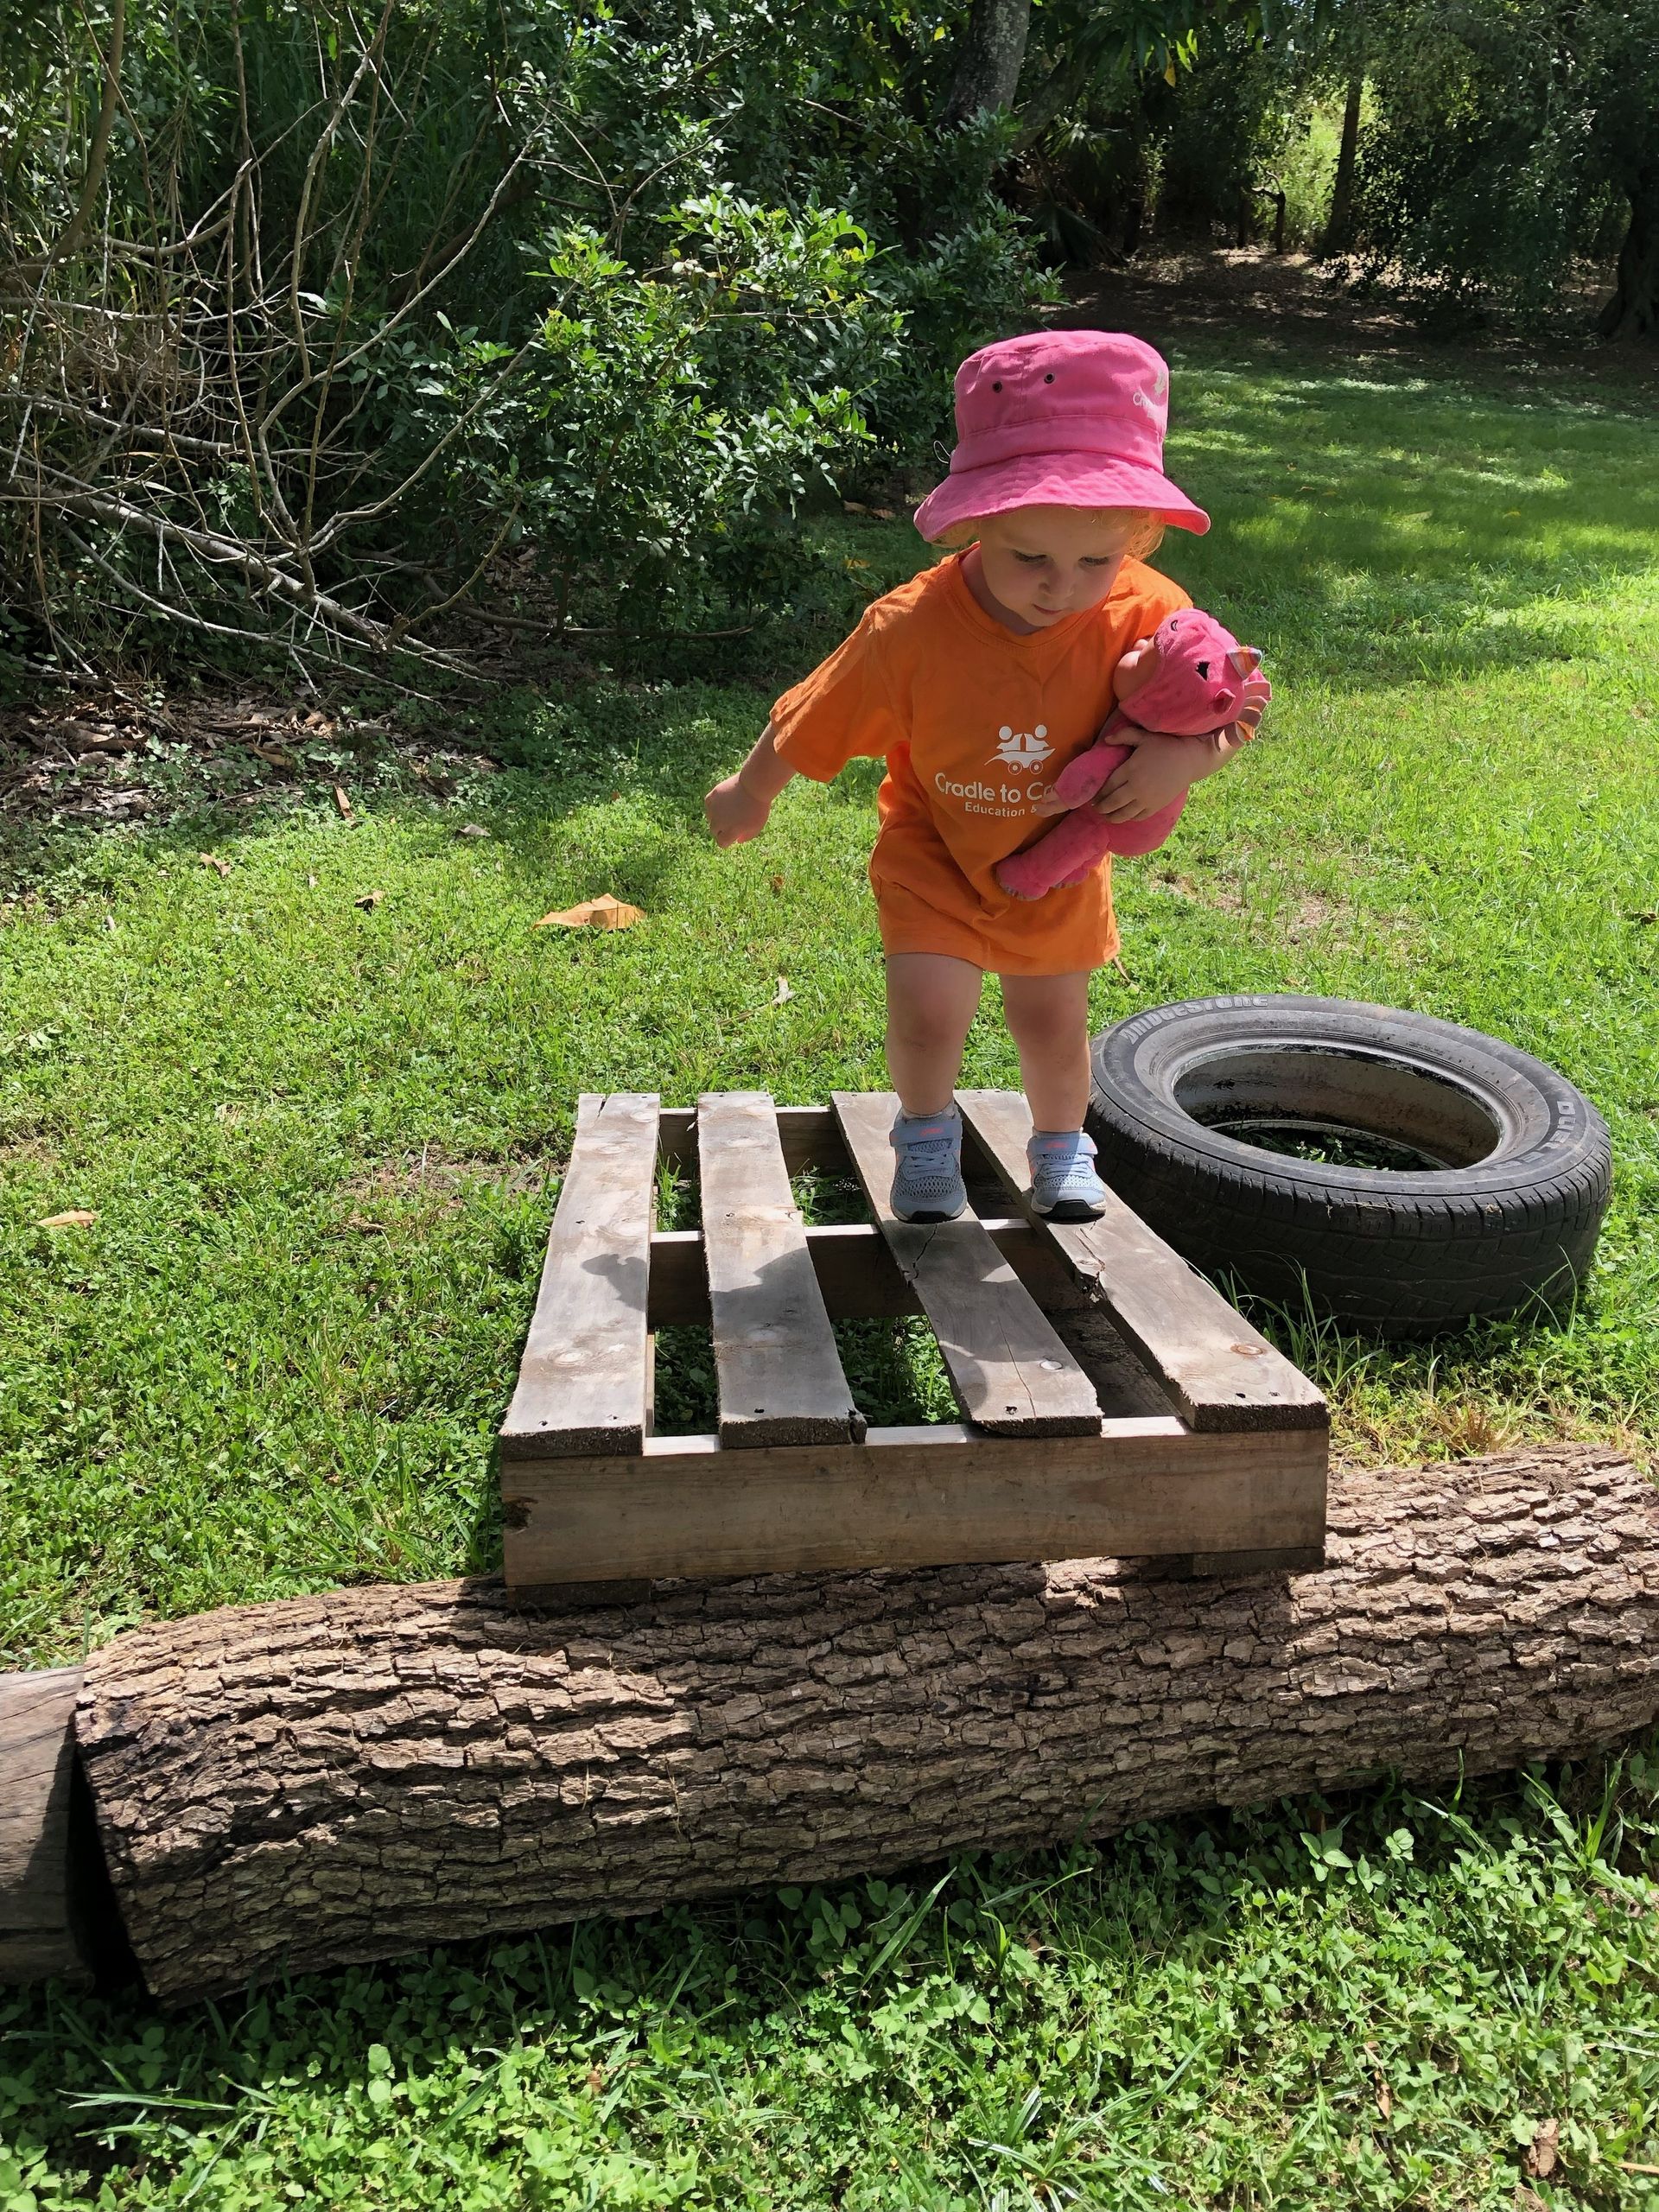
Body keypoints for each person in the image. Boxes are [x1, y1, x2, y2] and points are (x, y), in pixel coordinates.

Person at [702, 329, 1261, 1224]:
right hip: (934, 849)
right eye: (1029, 557)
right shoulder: (910, 629)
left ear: (1137, 537)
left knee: (1052, 1023)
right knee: (929, 1009)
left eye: (1096, 561)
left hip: (1058, 861)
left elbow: (1226, 699)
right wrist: (750, 791)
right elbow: (814, 716)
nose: (1061, 587)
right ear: (976, 524)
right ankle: (926, 1137)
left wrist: (1184, 759)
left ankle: (1062, 1148)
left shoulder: (1153, 612)